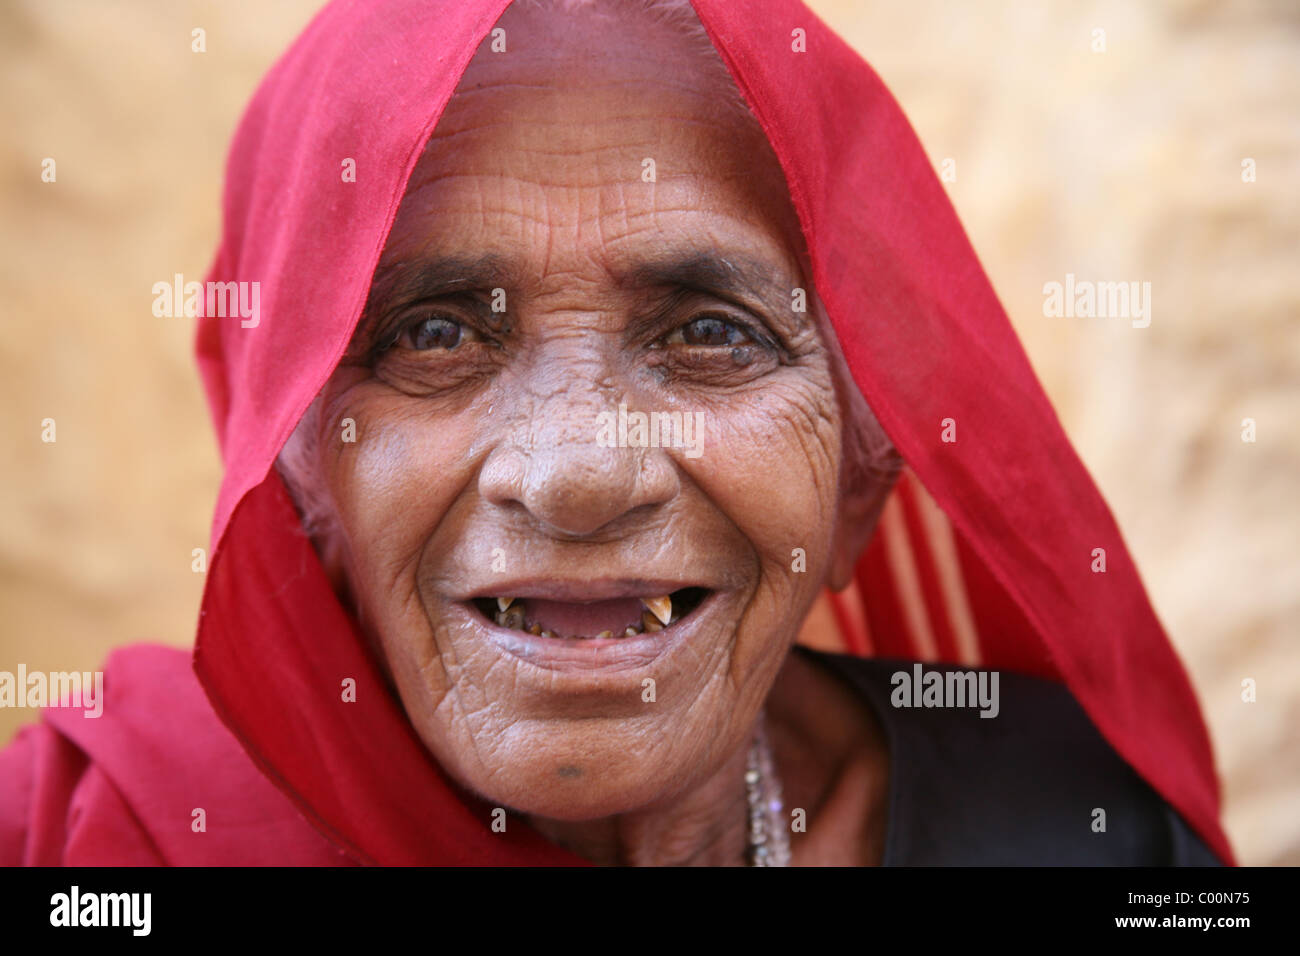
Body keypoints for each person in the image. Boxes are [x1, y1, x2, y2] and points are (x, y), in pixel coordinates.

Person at [0, 0, 1231, 866]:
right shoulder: (101, 845)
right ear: (297, 465)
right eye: (434, 336)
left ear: (865, 474)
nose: (576, 473)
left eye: (713, 332)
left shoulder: (1085, 832)